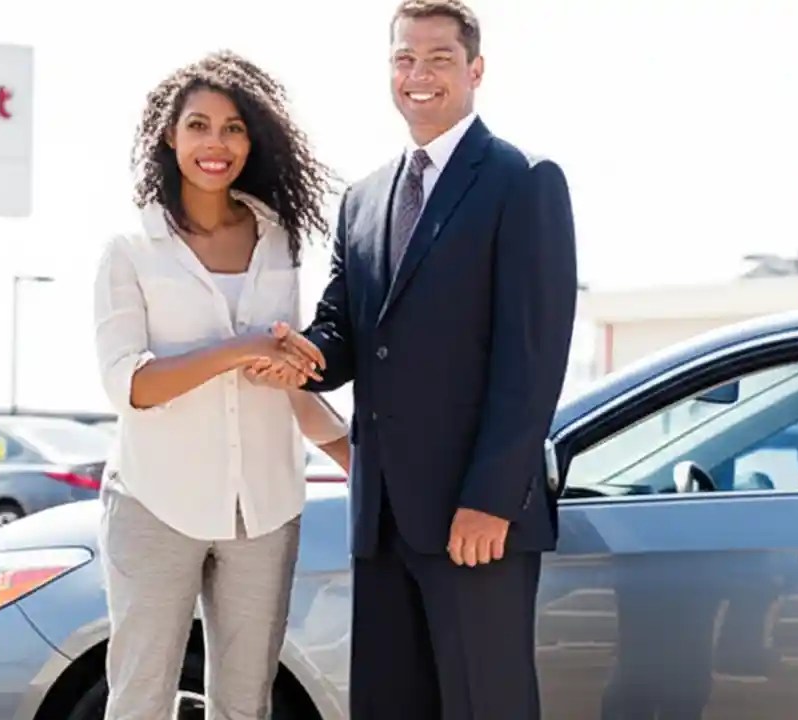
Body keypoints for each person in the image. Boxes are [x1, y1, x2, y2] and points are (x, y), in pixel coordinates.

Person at [251, 1, 579, 717]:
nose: (418, 75)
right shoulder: (363, 199)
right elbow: (344, 332)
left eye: (438, 59)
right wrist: (294, 357)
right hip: (382, 518)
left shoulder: (523, 180)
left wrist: (491, 499)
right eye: (405, 58)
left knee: (482, 705)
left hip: (475, 519)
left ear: (475, 70)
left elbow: (534, 358)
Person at [91, 50, 350, 720]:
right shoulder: (131, 249)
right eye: (199, 125)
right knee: (140, 697)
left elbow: (284, 378)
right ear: (169, 137)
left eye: (233, 127)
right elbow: (133, 387)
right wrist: (237, 349)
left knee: (246, 703)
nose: (216, 143)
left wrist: (352, 454)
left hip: (264, 508)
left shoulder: (277, 237)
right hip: (156, 503)